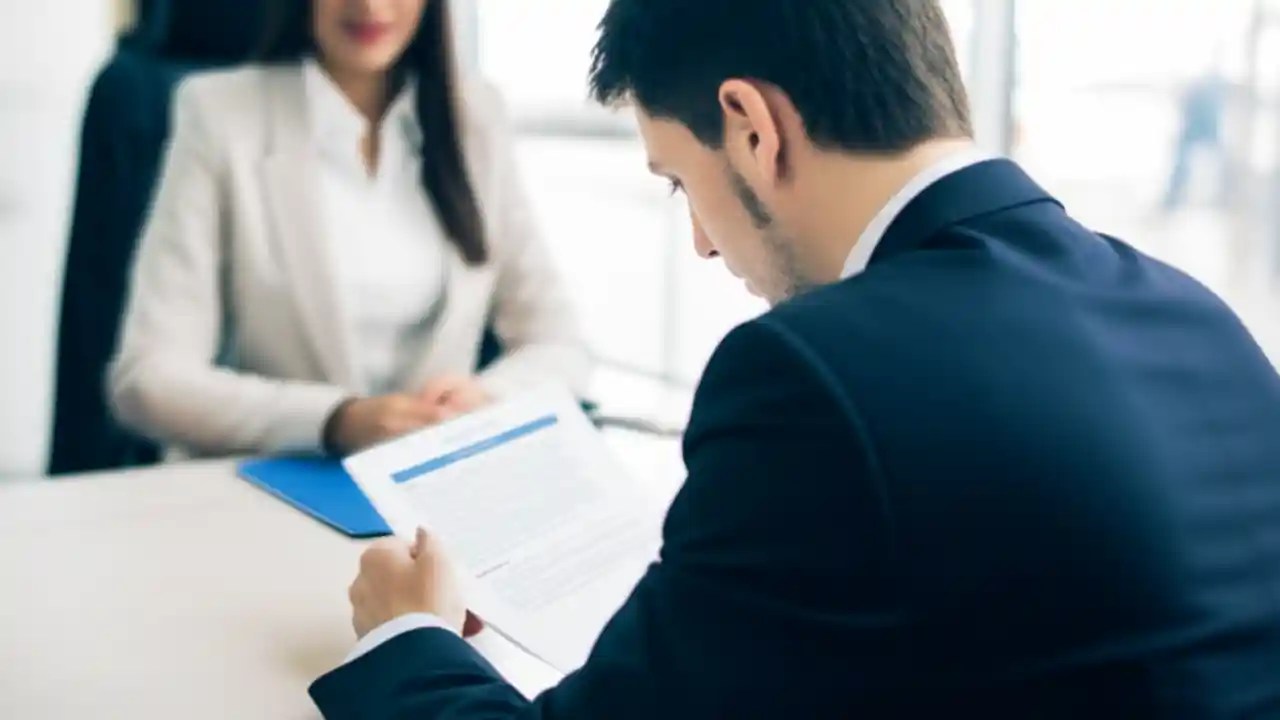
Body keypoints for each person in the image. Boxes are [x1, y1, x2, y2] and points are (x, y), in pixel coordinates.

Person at [311, 0, 1280, 716]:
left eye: (678, 183)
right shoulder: (1199, 319)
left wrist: (411, 634)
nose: (697, 241)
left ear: (750, 125)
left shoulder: (810, 378)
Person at [109, 0, 589, 458]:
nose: (371, 6)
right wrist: (334, 420)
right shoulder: (220, 114)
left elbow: (558, 345)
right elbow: (148, 378)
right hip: (272, 485)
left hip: (432, 492)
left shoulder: (475, 116)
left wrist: (485, 398)